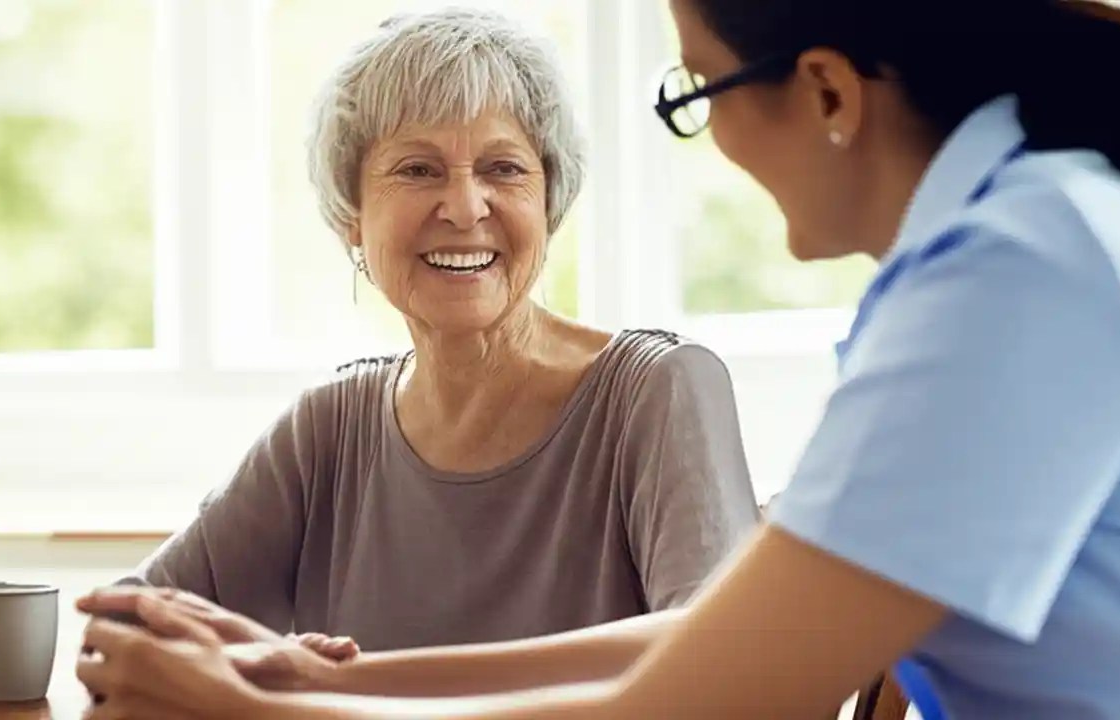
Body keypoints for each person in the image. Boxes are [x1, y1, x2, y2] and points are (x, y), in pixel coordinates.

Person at [76, 0, 1120, 717]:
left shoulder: (1019, 275)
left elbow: (714, 698)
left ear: (831, 92)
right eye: (413, 171)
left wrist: (277, 713)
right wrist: (318, 676)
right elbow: (712, 641)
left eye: (695, 95)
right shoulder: (1016, 249)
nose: (464, 206)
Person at [114, 3, 759, 689]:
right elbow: (125, 629)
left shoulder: (657, 390)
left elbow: (730, 663)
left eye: (504, 168)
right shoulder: (328, 430)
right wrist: (250, 666)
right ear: (350, 218)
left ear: (550, 203)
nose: (464, 206)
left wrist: (338, 683)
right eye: (418, 170)